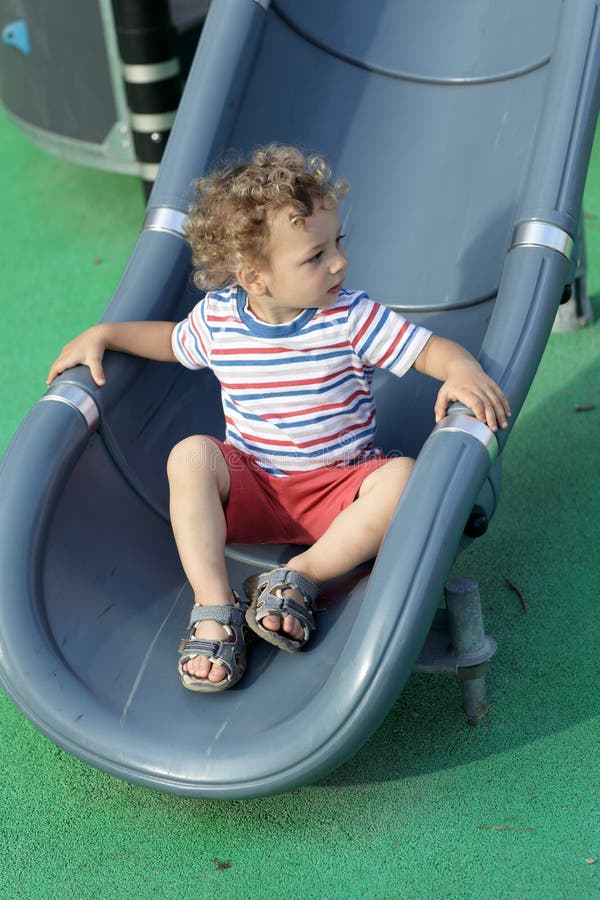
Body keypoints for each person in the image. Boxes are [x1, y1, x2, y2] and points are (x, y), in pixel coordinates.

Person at [47, 145, 510, 694]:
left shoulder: (350, 317)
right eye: (315, 256)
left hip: (340, 490)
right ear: (255, 278)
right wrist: (106, 334)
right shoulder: (220, 319)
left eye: (338, 243)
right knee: (190, 455)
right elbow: (170, 342)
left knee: (404, 478)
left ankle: (299, 577)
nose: (338, 261)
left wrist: (459, 370)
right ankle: (215, 604)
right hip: (254, 485)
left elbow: (433, 351)